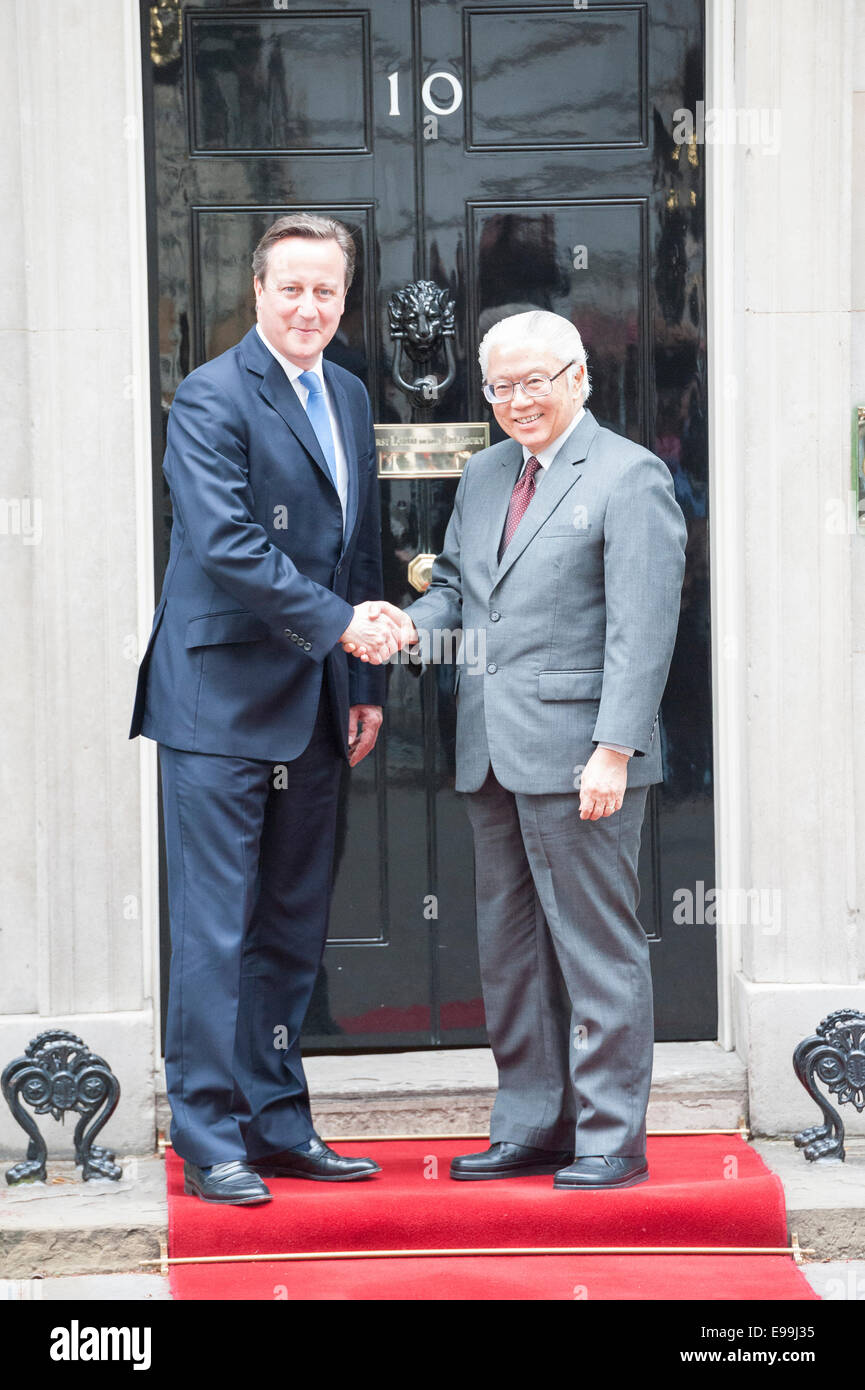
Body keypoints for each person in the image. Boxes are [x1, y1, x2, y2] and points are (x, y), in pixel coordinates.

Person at [359, 310, 687, 1190]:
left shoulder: (630, 475)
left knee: (596, 950)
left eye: (534, 380)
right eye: (500, 385)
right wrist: (402, 632)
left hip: (584, 757)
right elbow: (463, 593)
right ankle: (532, 1125)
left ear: (578, 377)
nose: (516, 401)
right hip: (491, 753)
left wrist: (614, 749)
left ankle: (609, 1137)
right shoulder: (483, 473)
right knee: (510, 953)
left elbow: (643, 630)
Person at [130, 213, 406, 1204]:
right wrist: (345, 626)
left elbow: (358, 546)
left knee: (291, 926)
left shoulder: (348, 392)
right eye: (291, 287)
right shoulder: (208, 399)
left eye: (326, 290)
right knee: (214, 928)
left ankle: (278, 1124)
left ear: (344, 297)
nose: (309, 306)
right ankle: (209, 1138)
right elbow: (227, 545)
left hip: (320, 700)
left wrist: (363, 682)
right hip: (217, 703)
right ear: (257, 291)